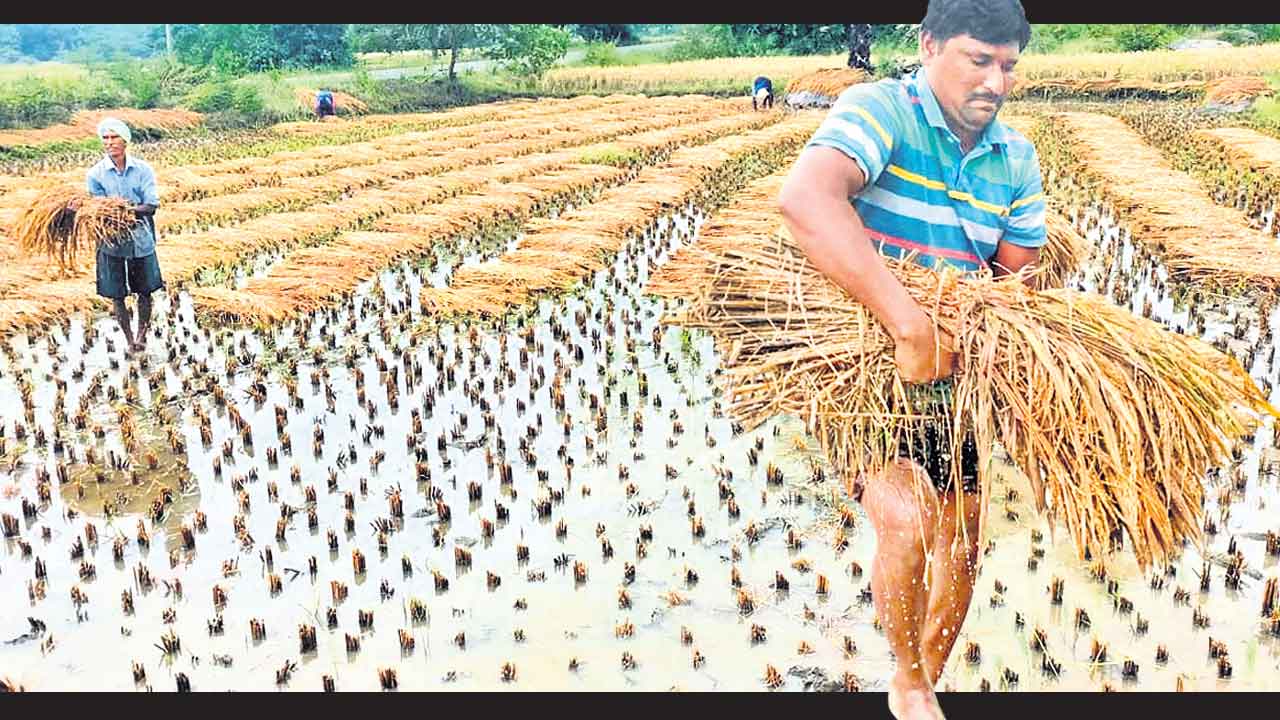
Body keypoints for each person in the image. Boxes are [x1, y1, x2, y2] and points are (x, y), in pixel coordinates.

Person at [778, 1, 1043, 717]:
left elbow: (1014, 276)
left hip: (952, 376)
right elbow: (806, 199)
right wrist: (908, 321)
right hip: (865, 363)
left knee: (963, 528)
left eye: (1008, 66)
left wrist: (989, 325)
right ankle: (906, 674)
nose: (995, 82)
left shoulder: (1016, 157)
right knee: (908, 517)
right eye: (978, 60)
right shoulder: (882, 111)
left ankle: (925, 673)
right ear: (928, 47)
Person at [86, 117, 163, 355]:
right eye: (105, 138)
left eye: (114, 137)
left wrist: (123, 211)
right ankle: (129, 340)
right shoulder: (96, 174)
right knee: (116, 294)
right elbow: (98, 209)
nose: (109, 142)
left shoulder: (143, 170)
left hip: (140, 239)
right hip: (111, 242)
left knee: (145, 290)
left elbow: (151, 205)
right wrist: (115, 213)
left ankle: (142, 336)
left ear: (125, 141)